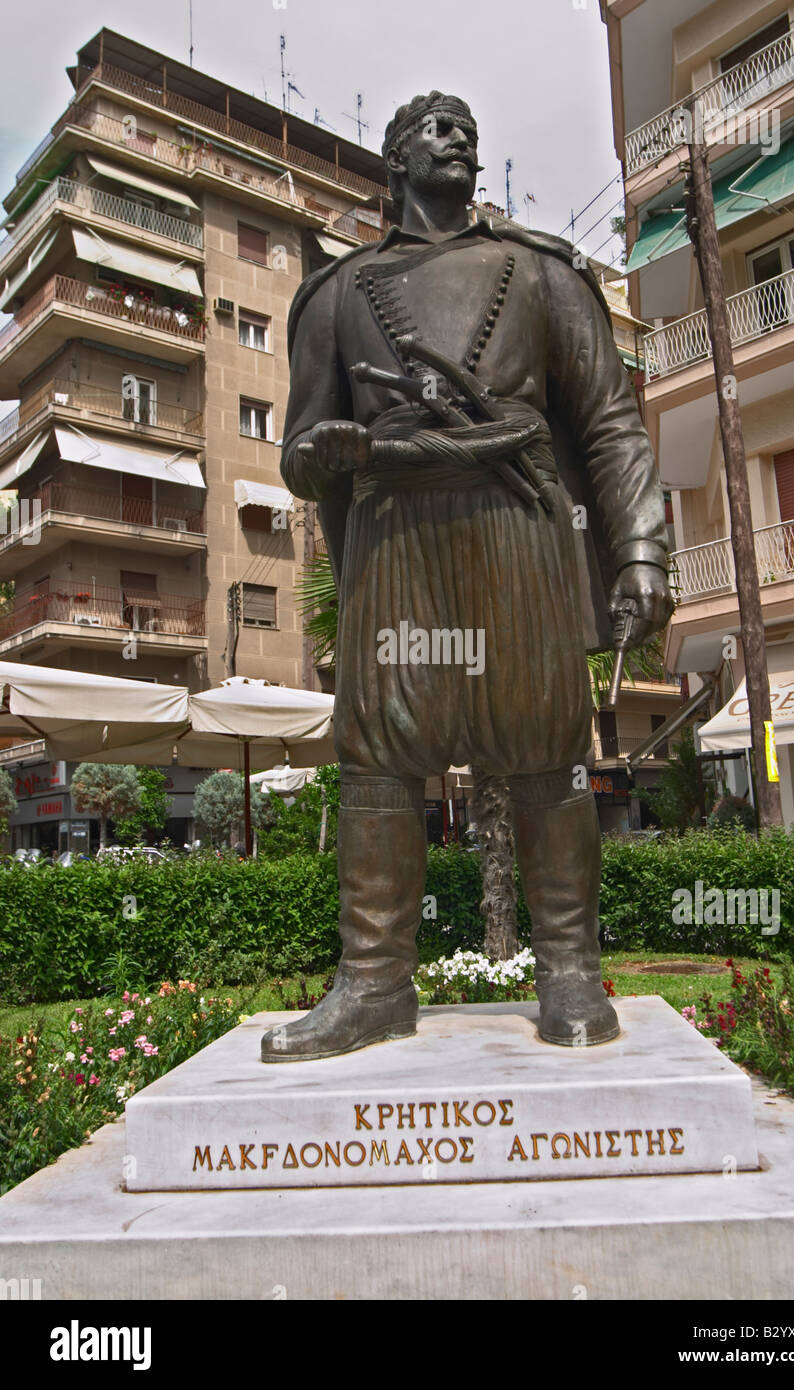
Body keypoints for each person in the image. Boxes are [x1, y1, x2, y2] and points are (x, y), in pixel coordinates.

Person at [262, 92, 673, 1062]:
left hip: (516, 531)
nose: (456, 137)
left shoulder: (539, 275)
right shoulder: (336, 295)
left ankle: (567, 966)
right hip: (396, 540)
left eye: (464, 128)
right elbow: (295, 453)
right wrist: (322, 455)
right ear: (393, 158)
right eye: (432, 128)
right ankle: (372, 982)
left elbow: (611, 422)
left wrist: (639, 552)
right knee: (375, 760)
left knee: (544, 751)